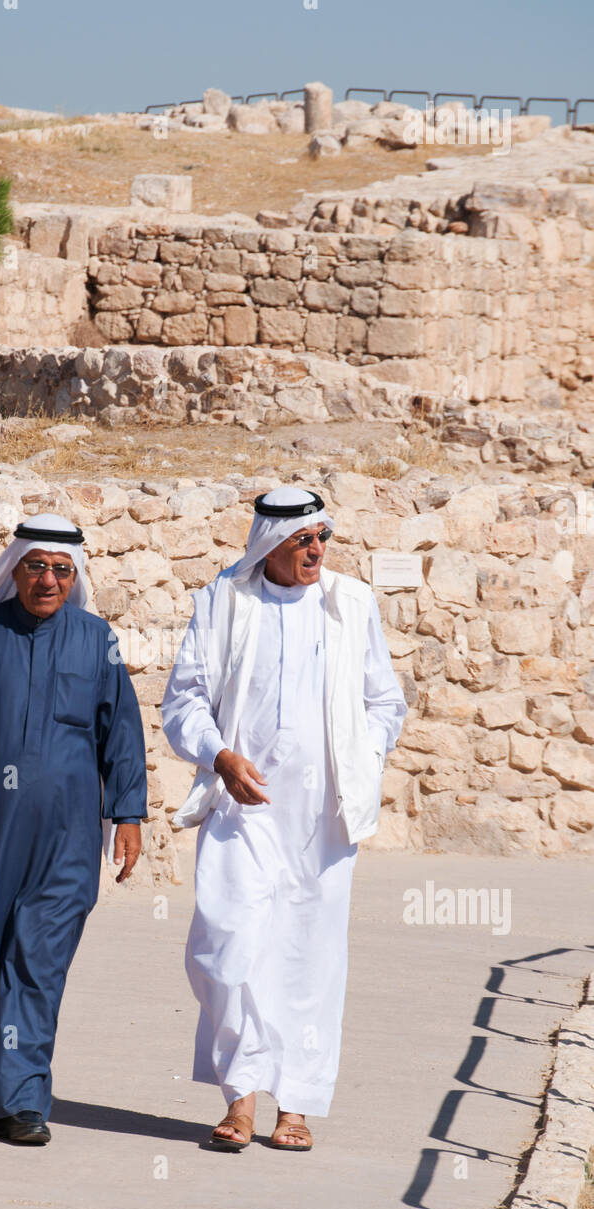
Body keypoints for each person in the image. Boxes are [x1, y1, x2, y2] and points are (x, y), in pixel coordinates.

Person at [161, 486, 407, 1152]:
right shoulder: (221, 604)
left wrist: (362, 758)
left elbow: (385, 702)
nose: (316, 550)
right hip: (240, 810)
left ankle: (292, 1105)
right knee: (225, 942)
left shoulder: (351, 605)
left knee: (307, 955)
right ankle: (237, 1097)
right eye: (303, 540)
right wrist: (219, 756)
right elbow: (182, 704)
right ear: (270, 543)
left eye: (322, 537)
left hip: (321, 822)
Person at [0, 514, 147, 1145]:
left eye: (61, 569)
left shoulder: (97, 640)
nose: (48, 579)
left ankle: (19, 1102)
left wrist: (127, 813)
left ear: (76, 576)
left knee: (38, 959)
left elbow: (121, 731)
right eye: (37, 566)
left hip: (68, 833)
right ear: (14, 569)